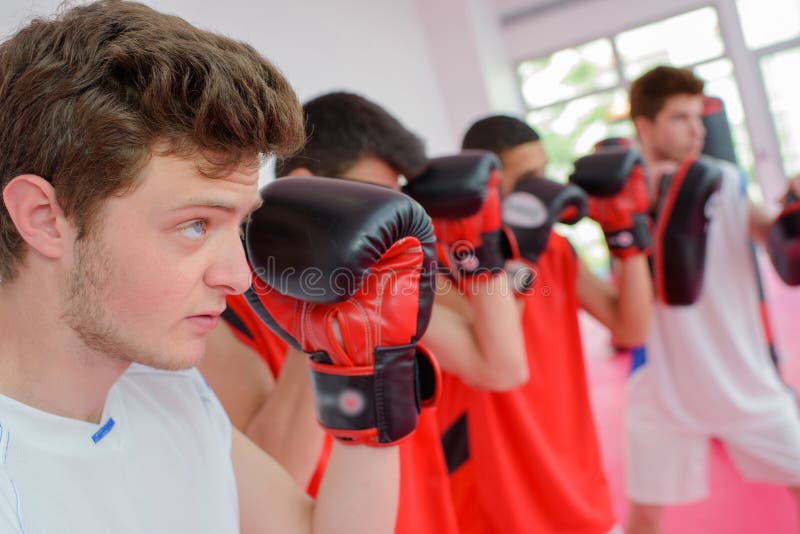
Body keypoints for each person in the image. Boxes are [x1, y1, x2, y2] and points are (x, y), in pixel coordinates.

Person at [0, 2, 431, 532]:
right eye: (197, 224)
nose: (240, 276)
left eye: (239, 226)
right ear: (44, 219)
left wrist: (363, 379)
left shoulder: (168, 391)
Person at [199, 91, 528, 534]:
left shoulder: (389, 284)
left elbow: (501, 368)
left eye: (395, 202)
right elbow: (270, 480)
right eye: (374, 196)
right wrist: (322, 335)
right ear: (305, 188)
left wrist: (482, 249)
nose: (384, 218)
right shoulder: (223, 308)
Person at [434, 114, 652, 533]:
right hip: (502, 497)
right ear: (488, 186)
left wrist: (626, 235)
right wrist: (521, 257)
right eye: (526, 178)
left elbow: (630, 329)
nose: (543, 188)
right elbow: (493, 342)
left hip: (577, 477)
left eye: (543, 172)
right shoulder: (447, 259)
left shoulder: (554, 246)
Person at [625, 65, 800, 534]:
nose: (697, 129)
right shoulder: (625, 193)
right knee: (644, 515)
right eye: (680, 117)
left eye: (698, 116)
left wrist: (795, 208)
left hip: (742, 373)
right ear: (645, 125)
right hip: (663, 383)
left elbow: (771, 238)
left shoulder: (725, 179)